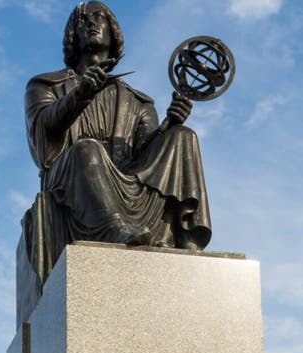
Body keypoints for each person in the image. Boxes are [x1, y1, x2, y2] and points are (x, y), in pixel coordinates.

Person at [18, 1, 212, 303]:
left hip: (126, 181)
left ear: (113, 31)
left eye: (99, 18)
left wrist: (169, 125)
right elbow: (42, 133)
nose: (91, 23)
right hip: (71, 180)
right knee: (88, 149)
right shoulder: (45, 85)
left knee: (183, 137)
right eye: (83, 20)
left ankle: (186, 239)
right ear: (73, 36)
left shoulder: (138, 102)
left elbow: (145, 155)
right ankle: (115, 231)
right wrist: (80, 95)